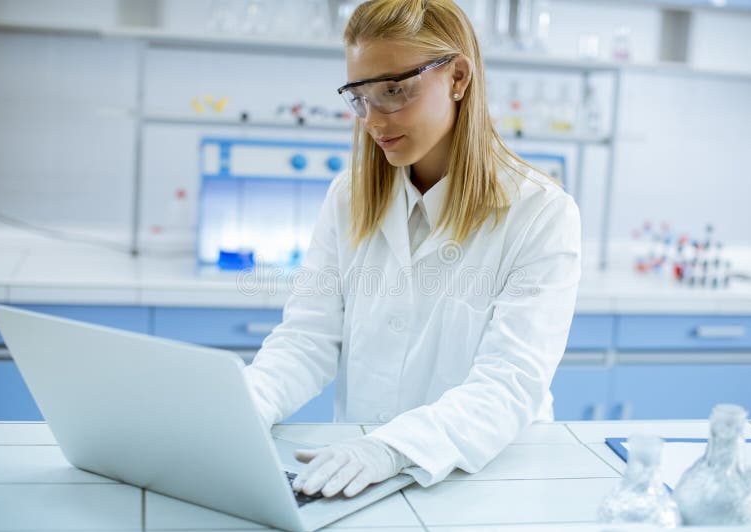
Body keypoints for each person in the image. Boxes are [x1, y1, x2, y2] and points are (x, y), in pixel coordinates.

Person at [244, 0, 581, 500]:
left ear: (458, 78)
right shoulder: (349, 196)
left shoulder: (541, 213)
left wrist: (390, 449)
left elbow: (510, 383)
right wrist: (245, 403)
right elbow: (307, 339)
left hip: (482, 484)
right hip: (356, 482)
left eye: (394, 91)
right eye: (359, 96)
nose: (372, 121)